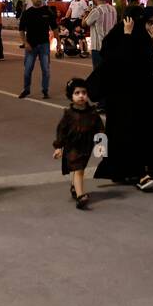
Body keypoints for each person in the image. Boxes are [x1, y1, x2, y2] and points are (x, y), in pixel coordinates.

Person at [92, 7, 153, 191]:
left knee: (135, 134)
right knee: (122, 134)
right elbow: (120, 60)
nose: (148, 25)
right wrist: (127, 35)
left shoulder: (144, 38)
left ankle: (138, 171)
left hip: (136, 96)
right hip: (119, 97)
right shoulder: (118, 36)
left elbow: (151, 62)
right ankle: (131, 172)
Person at [53, 78, 105, 210]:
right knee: (79, 169)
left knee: (79, 168)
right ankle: (81, 196)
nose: (81, 96)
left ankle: (74, 187)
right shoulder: (69, 115)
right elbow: (61, 131)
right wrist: (59, 147)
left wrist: (101, 144)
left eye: (84, 92)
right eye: (77, 93)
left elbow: (100, 128)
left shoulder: (92, 113)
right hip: (73, 147)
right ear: (71, 96)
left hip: (86, 146)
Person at [18, 0, 58, 98]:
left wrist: (58, 43)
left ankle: (45, 90)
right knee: (27, 70)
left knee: (46, 69)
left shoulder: (47, 11)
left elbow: (55, 28)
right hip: (31, 46)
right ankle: (26, 89)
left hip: (44, 45)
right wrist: (25, 43)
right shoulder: (27, 13)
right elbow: (21, 30)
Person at [84, 0, 117, 74]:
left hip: (98, 48)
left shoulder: (96, 11)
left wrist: (85, 14)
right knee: (109, 73)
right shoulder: (113, 9)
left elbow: (84, 24)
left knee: (98, 74)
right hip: (111, 46)